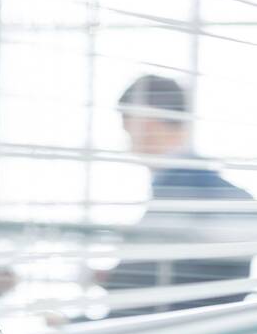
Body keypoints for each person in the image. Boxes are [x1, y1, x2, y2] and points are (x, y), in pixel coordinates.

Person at [93, 74, 255, 316]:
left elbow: (161, 288)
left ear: (147, 124)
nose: (130, 145)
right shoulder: (220, 195)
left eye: (129, 132)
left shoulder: (185, 194)